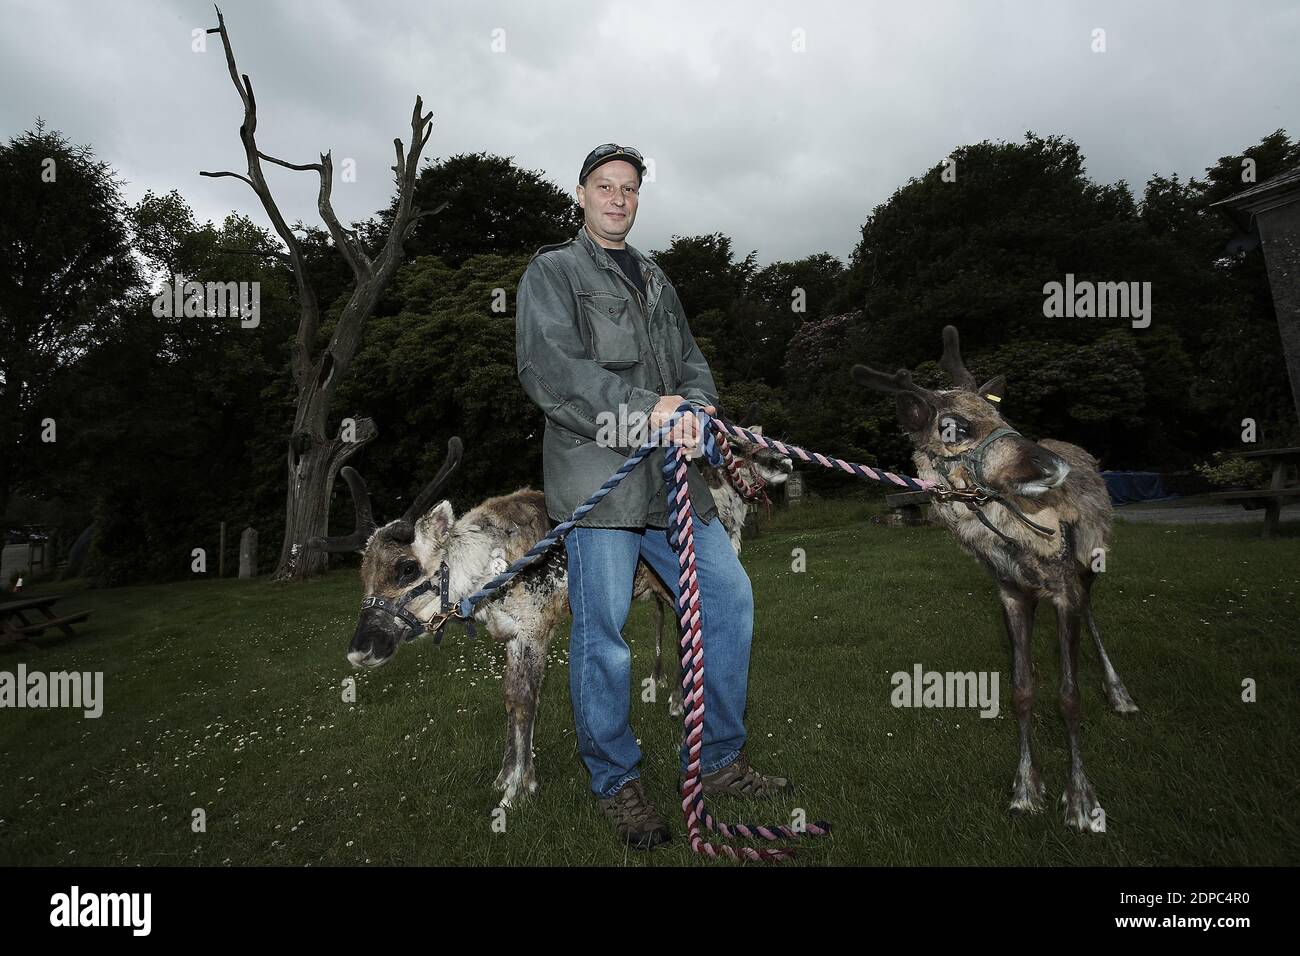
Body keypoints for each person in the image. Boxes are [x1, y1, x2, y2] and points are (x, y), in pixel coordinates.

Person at [514, 143, 792, 849]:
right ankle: (617, 781)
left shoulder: (656, 278)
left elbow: (691, 365)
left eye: (629, 189)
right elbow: (552, 372)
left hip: (673, 484)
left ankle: (720, 761)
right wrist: (649, 409)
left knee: (728, 599)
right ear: (580, 194)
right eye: (604, 187)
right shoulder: (554, 272)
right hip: (597, 486)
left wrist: (696, 410)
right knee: (602, 636)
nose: (617, 198)